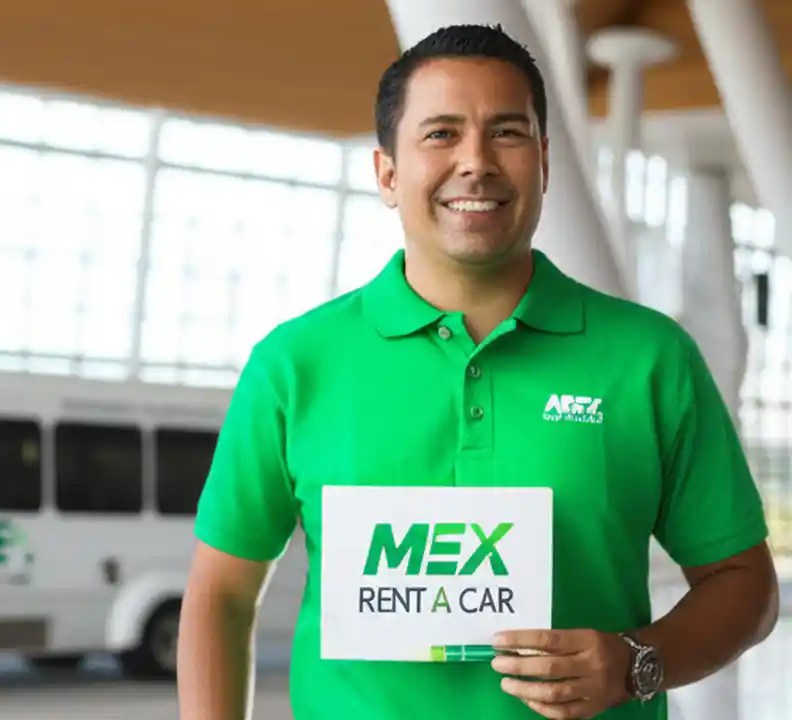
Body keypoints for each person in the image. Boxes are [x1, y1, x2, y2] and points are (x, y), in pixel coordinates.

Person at [176, 23, 780, 720]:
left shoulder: (648, 358)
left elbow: (745, 584)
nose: (476, 161)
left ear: (545, 163)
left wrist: (637, 664)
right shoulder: (294, 363)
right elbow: (220, 591)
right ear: (387, 174)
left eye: (507, 132)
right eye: (440, 134)